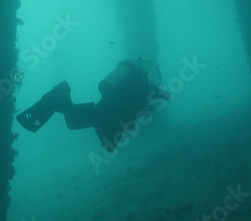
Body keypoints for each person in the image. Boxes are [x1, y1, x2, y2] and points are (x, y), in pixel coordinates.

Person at [16, 58, 170, 151]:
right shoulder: (143, 87)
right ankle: (61, 93)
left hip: (103, 111)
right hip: (105, 115)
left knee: (75, 123)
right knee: (108, 145)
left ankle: (61, 96)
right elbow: (164, 95)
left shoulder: (135, 86)